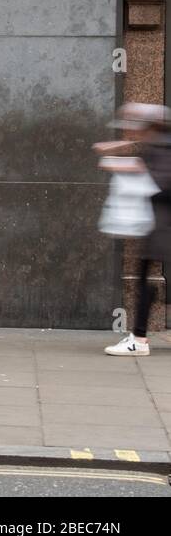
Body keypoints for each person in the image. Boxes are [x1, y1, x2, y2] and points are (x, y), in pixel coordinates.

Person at [99, 103, 171, 356]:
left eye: (133, 126)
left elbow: (161, 181)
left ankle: (139, 340)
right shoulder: (158, 142)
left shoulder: (161, 146)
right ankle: (138, 338)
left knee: (143, 280)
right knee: (143, 279)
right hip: (158, 226)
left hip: (161, 226)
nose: (130, 132)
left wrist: (127, 166)